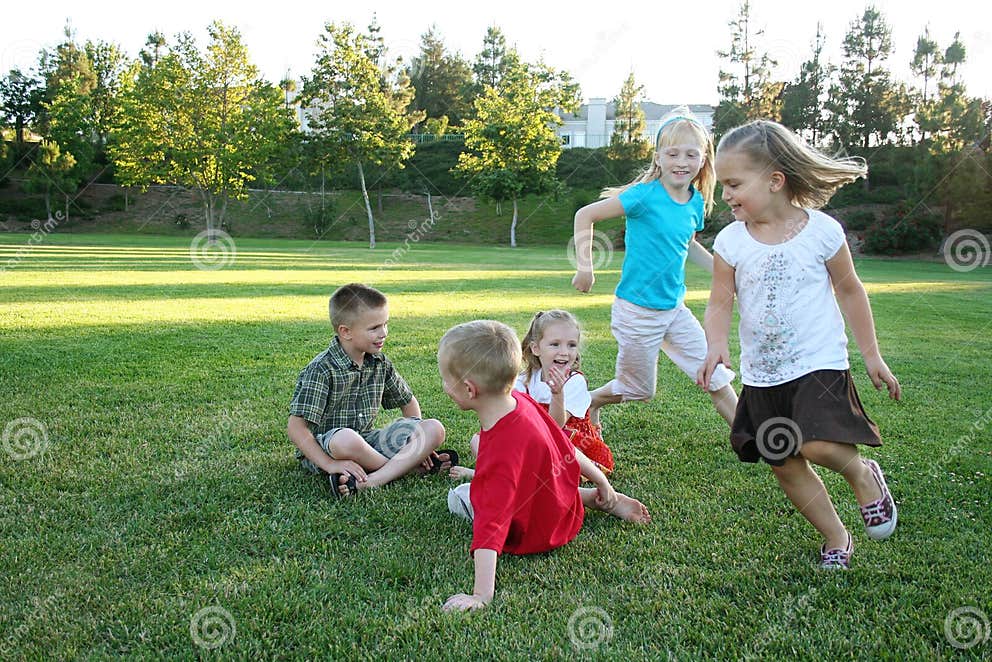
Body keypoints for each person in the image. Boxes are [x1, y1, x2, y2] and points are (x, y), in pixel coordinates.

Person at [697, 120, 901, 569]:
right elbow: (720, 299)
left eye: (734, 184)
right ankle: (836, 538)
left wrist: (871, 355)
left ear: (775, 181)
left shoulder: (822, 231)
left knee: (817, 444)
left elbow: (850, 290)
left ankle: (862, 474)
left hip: (818, 362)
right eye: (723, 185)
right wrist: (716, 344)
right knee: (783, 461)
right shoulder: (731, 241)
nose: (725, 195)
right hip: (763, 372)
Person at [438, 320, 650, 612]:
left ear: (469, 389)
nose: (444, 386)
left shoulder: (499, 454)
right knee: (528, 476)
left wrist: (481, 595)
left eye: (446, 380)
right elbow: (566, 448)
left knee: (461, 496)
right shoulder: (523, 401)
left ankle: (582, 497)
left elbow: (491, 523)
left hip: (535, 535)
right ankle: (586, 496)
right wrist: (601, 481)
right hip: (563, 512)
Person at [571, 105, 738, 430]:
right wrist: (585, 267)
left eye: (691, 154)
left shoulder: (695, 202)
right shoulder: (643, 196)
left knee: (715, 374)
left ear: (703, 159)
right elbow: (585, 215)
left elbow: (687, 245)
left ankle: (752, 439)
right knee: (638, 390)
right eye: (673, 154)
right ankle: (590, 401)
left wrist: (725, 273)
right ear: (658, 158)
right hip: (637, 313)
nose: (681, 162)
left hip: (675, 310)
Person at [287, 283, 453, 497]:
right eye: (374, 328)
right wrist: (329, 464)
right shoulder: (322, 369)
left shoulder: (379, 363)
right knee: (346, 439)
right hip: (329, 447)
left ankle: (375, 478)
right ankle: (406, 469)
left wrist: (415, 443)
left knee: (434, 428)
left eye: (385, 324)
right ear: (346, 332)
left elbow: (408, 403)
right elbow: (296, 428)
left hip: (369, 443)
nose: (383, 333)